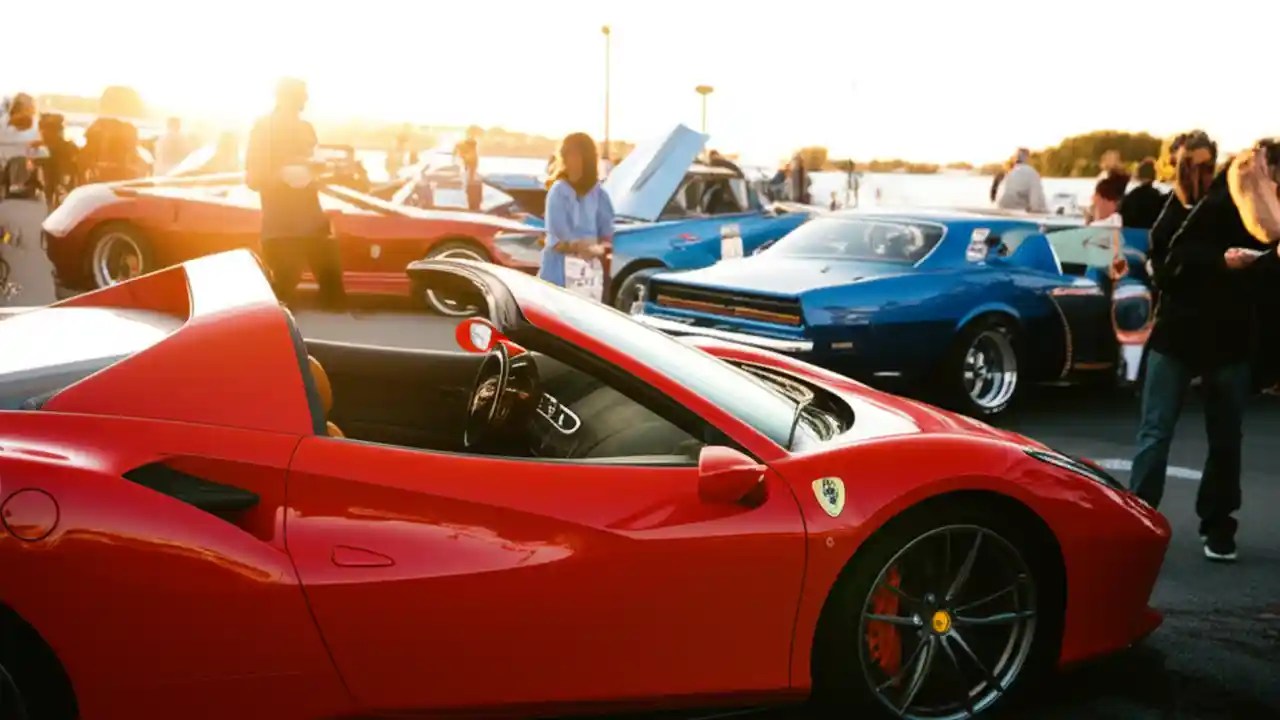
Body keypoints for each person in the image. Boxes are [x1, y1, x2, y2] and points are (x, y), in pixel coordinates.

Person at [1129, 132, 1280, 562]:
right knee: (1155, 432)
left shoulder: (1235, 203)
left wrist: (1252, 262)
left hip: (1228, 336)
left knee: (1226, 437)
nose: (1197, 173)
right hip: (1177, 335)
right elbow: (1166, 269)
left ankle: (1217, 525)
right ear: (1172, 166)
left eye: (1205, 164)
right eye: (1188, 164)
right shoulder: (1171, 215)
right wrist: (1220, 262)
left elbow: (1265, 255)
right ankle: (1138, 517)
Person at [245, 77, 345, 309]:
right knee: (281, 297)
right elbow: (253, 178)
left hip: (313, 222)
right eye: (302, 94)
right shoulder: (263, 128)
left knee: (335, 296)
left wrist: (324, 170)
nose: (306, 99)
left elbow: (316, 165)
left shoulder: (306, 128)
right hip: (282, 226)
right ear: (285, 97)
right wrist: (284, 175)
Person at [539, 132, 613, 302]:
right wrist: (586, 246)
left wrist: (596, 248)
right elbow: (557, 241)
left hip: (589, 279)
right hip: (557, 276)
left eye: (573, 153)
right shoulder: (558, 191)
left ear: (586, 157)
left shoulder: (600, 195)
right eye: (565, 153)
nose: (567, 158)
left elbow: (607, 238)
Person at [995, 148, 1047, 212]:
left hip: (1001, 205)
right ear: (1027, 158)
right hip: (1016, 208)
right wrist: (1039, 210)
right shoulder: (1032, 173)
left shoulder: (1010, 172)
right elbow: (1035, 196)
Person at [1120, 158, 1166, 229]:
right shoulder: (1160, 197)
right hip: (1151, 235)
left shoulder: (1131, 196)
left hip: (1131, 235)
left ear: (1139, 175)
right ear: (1154, 176)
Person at [453, 137, 481, 211]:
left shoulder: (471, 155)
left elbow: (469, 168)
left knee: (473, 205)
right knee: (473, 205)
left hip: (473, 183)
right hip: (473, 182)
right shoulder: (472, 153)